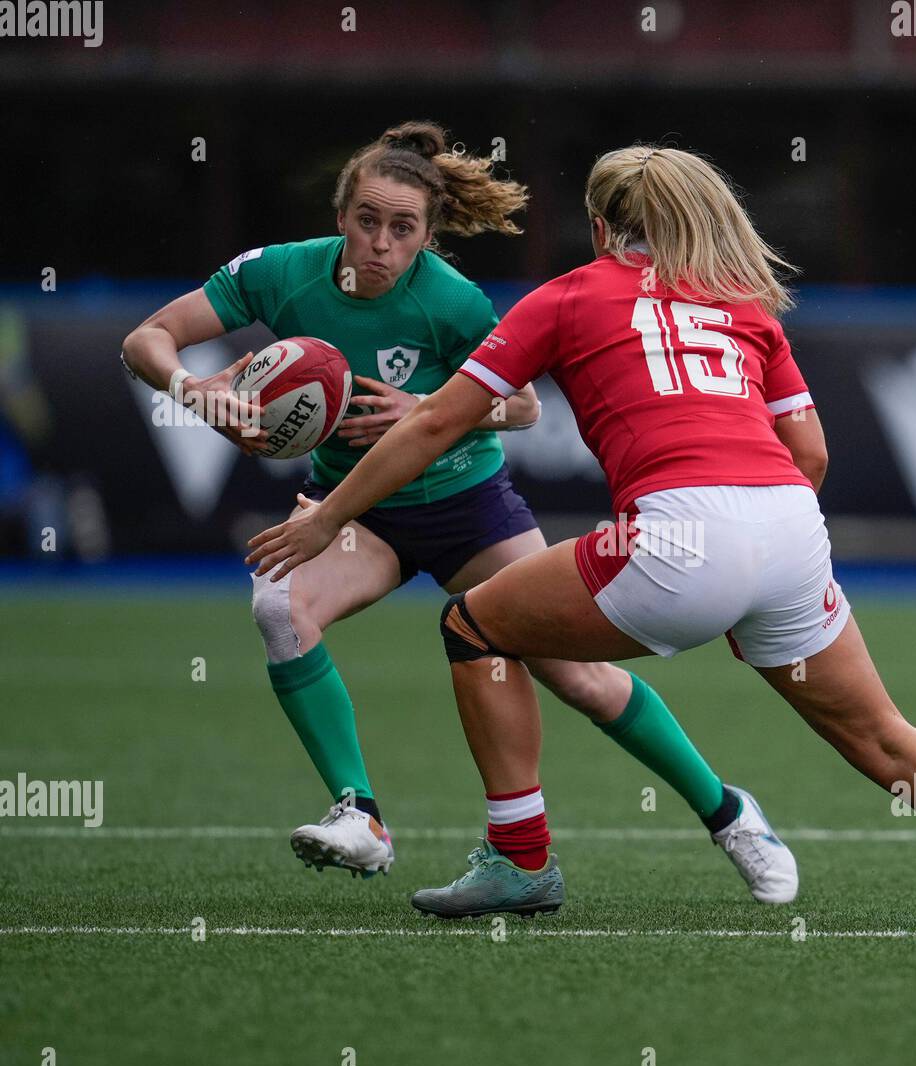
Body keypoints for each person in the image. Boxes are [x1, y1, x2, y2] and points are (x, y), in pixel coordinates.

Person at [247, 145, 916, 929]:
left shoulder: (564, 297)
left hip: (681, 537)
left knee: (474, 628)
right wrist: (752, 573)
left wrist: (328, 516)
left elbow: (439, 424)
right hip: (791, 529)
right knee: (886, 738)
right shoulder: (741, 302)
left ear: (602, 227)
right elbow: (811, 453)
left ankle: (520, 863)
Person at [122, 126, 798, 904]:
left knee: (576, 678)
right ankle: (361, 817)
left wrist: (432, 408)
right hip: (360, 512)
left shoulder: (452, 300)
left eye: (403, 228)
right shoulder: (278, 273)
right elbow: (149, 340)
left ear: (428, 235)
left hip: (468, 507)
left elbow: (521, 406)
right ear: (342, 214)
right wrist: (193, 391)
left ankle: (727, 812)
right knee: (280, 606)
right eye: (367, 220)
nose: (381, 242)